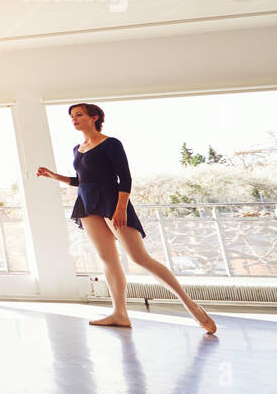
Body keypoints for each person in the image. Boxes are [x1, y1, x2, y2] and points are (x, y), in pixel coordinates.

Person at [36, 102, 217, 334]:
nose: (74, 119)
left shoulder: (111, 144)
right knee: (108, 260)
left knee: (139, 258)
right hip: (87, 203)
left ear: (94, 117)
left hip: (112, 201)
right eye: (72, 116)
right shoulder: (77, 148)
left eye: (79, 115)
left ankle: (190, 305)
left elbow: (125, 178)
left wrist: (120, 208)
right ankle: (119, 313)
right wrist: (54, 176)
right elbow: (83, 180)